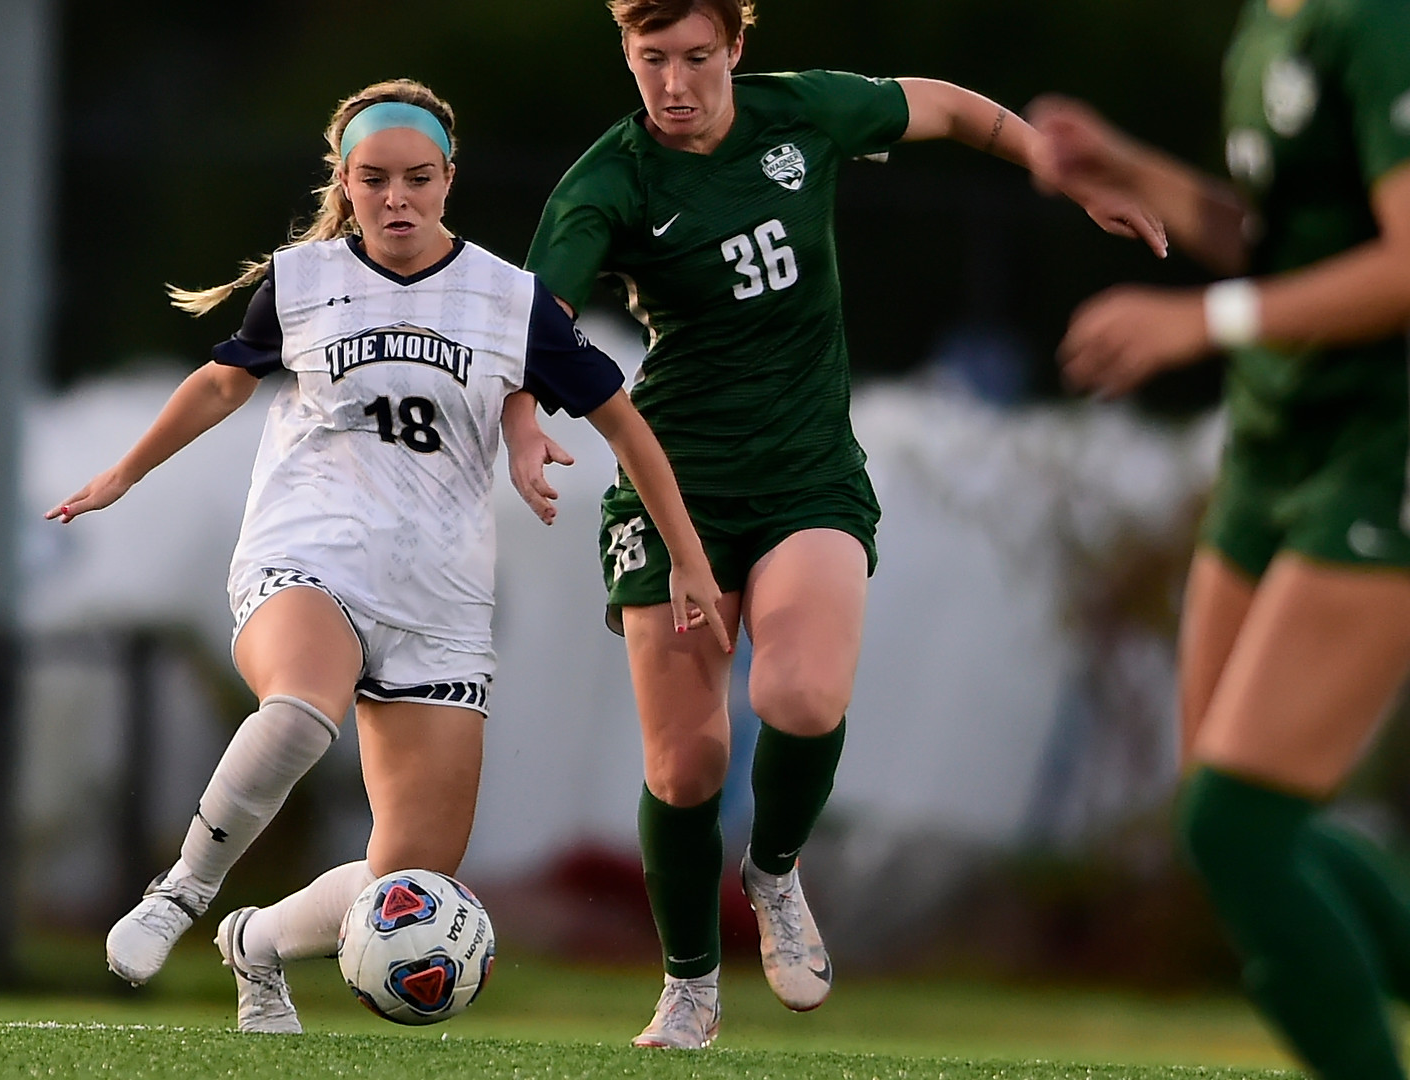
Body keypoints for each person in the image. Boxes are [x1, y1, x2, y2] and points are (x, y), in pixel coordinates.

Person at [501, 0, 1165, 1049]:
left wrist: (1065, 172)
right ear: (626, 54)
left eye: (697, 56)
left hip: (807, 476)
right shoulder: (610, 182)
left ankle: (772, 872)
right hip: (674, 489)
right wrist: (521, 418)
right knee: (686, 766)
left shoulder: (802, 114)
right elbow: (543, 322)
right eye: (651, 58)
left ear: (737, 47)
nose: (674, 83)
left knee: (802, 694)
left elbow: (951, 109)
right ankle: (688, 986)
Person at [47, 79, 726, 1034]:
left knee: (410, 875)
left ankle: (254, 941)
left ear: (449, 179)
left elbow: (625, 423)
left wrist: (687, 555)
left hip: (439, 596)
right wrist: (124, 473)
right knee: (299, 712)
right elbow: (220, 383)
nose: (396, 198)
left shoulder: (508, 299)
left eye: (417, 178)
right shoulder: (303, 280)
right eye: (373, 180)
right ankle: (182, 893)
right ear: (344, 181)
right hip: (310, 552)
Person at [1030, 0, 1410, 1073]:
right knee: (1224, 819)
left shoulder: (1373, 23)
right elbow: (1280, 242)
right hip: (1275, 444)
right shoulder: (1270, 27)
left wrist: (1204, 321)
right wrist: (1131, 169)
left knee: (1235, 828)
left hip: (1380, 447)